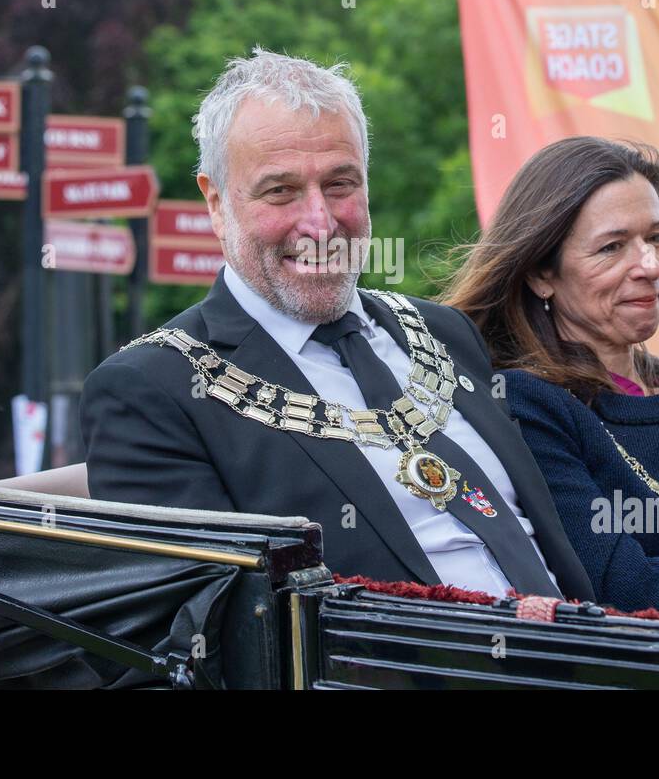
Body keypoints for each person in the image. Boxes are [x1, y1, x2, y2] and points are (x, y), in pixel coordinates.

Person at [80, 48, 593, 602]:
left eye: (341, 184)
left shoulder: (445, 331)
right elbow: (214, 630)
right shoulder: (154, 389)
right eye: (281, 190)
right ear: (216, 203)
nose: (320, 222)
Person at [443, 136, 659, 622]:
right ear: (542, 273)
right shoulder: (527, 403)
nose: (650, 266)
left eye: (656, 238)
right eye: (612, 247)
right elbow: (610, 575)